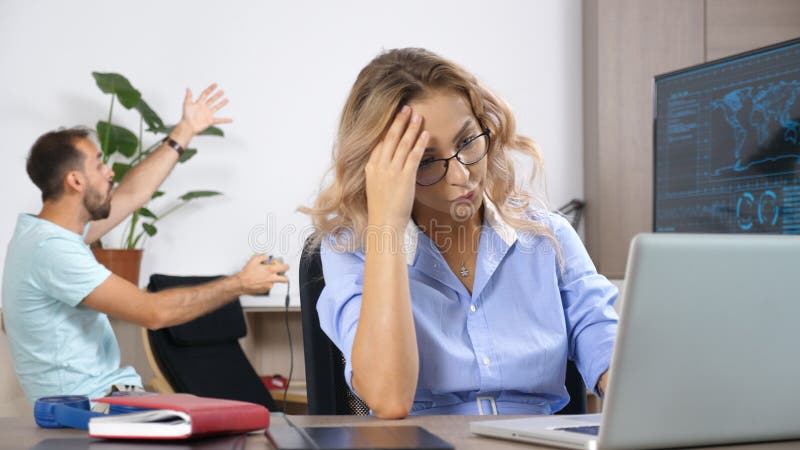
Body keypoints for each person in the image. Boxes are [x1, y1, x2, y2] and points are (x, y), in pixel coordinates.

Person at [302, 48, 618, 418]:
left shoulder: (547, 235)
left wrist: (632, 388)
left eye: (468, 142)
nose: (462, 175)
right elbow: (389, 399)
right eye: (426, 161)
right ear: (381, 167)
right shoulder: (350, 249)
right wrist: (387, 220)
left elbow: (605, 342)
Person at [2, 84, 289, 404]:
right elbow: (154, 312)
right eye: (99, 164)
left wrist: (185, 130)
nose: (109, 171)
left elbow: (133, 194)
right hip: (87, 408)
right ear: (76, 181)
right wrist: (239, 284)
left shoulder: (45, 234)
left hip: (101, 399)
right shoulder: (52, 250)